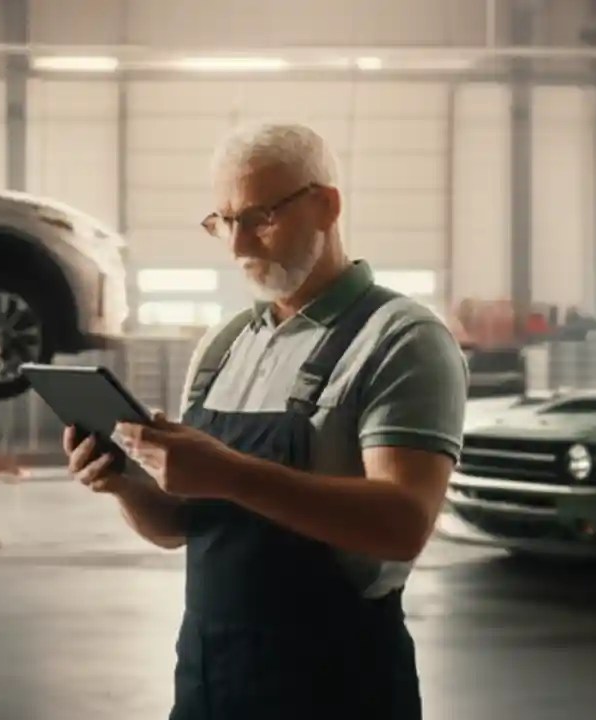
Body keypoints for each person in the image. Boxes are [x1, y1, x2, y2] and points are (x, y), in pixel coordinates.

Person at [62, 122, 469, 720]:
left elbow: (404, 522)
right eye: (224, 222)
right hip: (208, 680)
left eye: (260, 218)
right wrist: (126, 482)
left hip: (336, 687)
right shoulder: (223, 345)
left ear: (326, 205)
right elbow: (181, 527)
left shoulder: (403, 340)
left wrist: (230, 473)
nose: (237, 245)